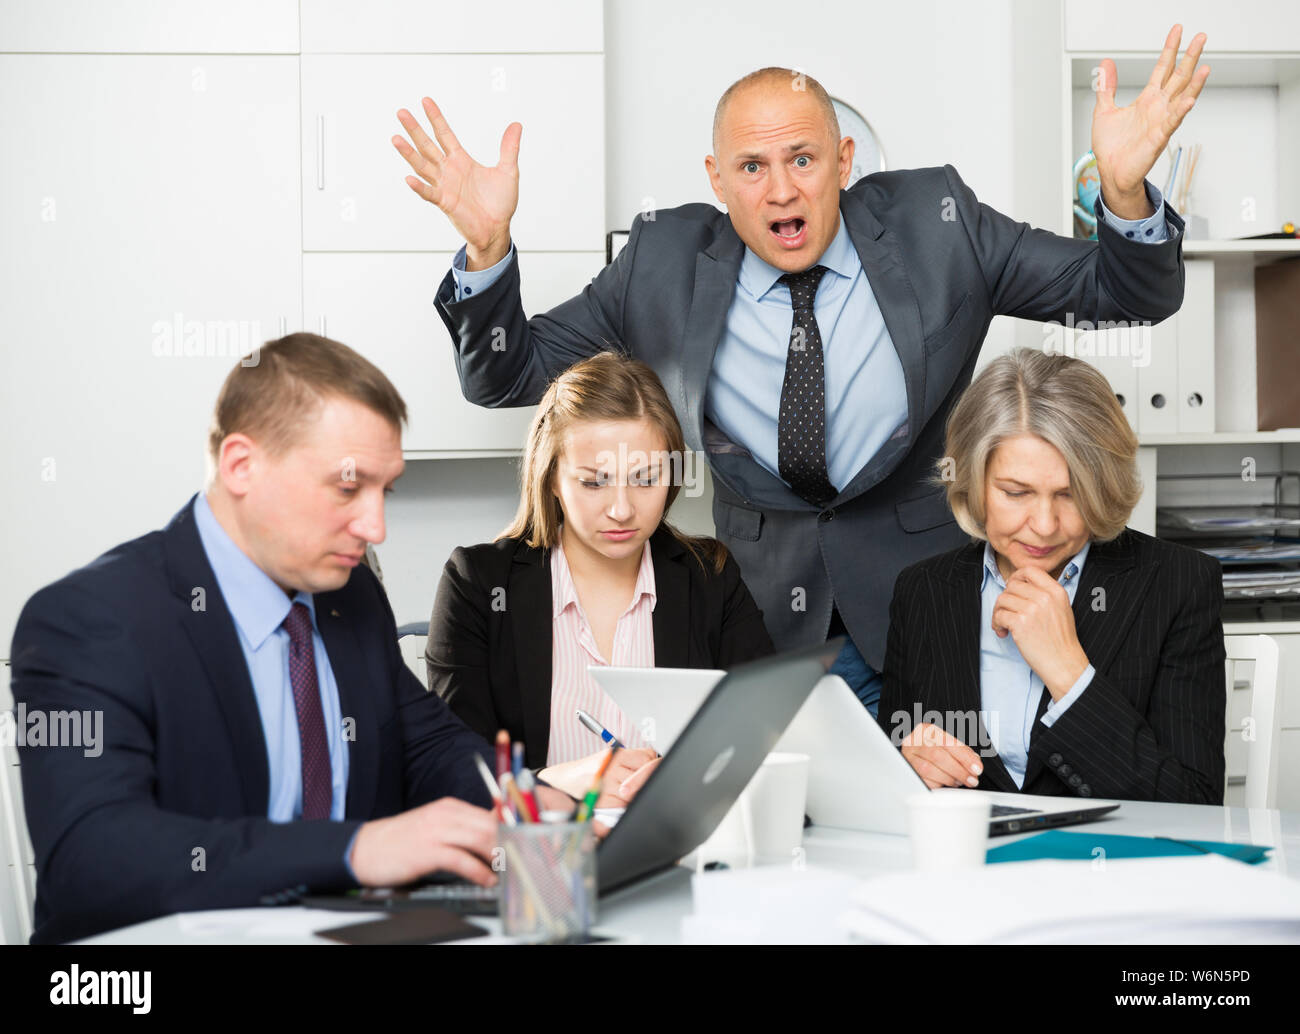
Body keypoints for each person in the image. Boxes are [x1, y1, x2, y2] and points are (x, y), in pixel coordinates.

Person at [391, 26, 1209, 718]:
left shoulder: (938, 226)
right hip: (756, 626)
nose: (781, 188)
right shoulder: (662, 263)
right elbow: (506, 376)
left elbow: (1120, 295)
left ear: (844, 160)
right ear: (717, 180)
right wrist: (487, 251)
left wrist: (1125, 193)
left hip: (926, 614)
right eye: (751, 167)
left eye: (803, 159)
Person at [9, 333, 576, 944]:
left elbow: (432, 749)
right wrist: (356, 849)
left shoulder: (349, 597)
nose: (376, 526)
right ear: (241, 466)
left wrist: (544, 815)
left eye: (385, 491)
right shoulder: (90, 619)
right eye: (346, 487)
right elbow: (91, 862)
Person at [878, 348, 1225, 804]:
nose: (1044, 525)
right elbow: (888, 779)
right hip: (966, 868)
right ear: (972, 482)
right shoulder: (922, 591)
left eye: (1070, 493)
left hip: (1113, 867)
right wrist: (908, 762)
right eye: (1016, 492)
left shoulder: (1178, 584)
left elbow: (1193, 806)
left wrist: (1069, 673)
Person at [426, 352, 774, 797]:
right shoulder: (477, 584)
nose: (622, 509)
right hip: (539, 854)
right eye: (594, 482)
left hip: (673, 844)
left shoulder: (711, 580)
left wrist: (693, 774)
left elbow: (763, 736)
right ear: (551, 477)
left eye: (646, 479)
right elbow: (451, 768)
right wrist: (559, 782)